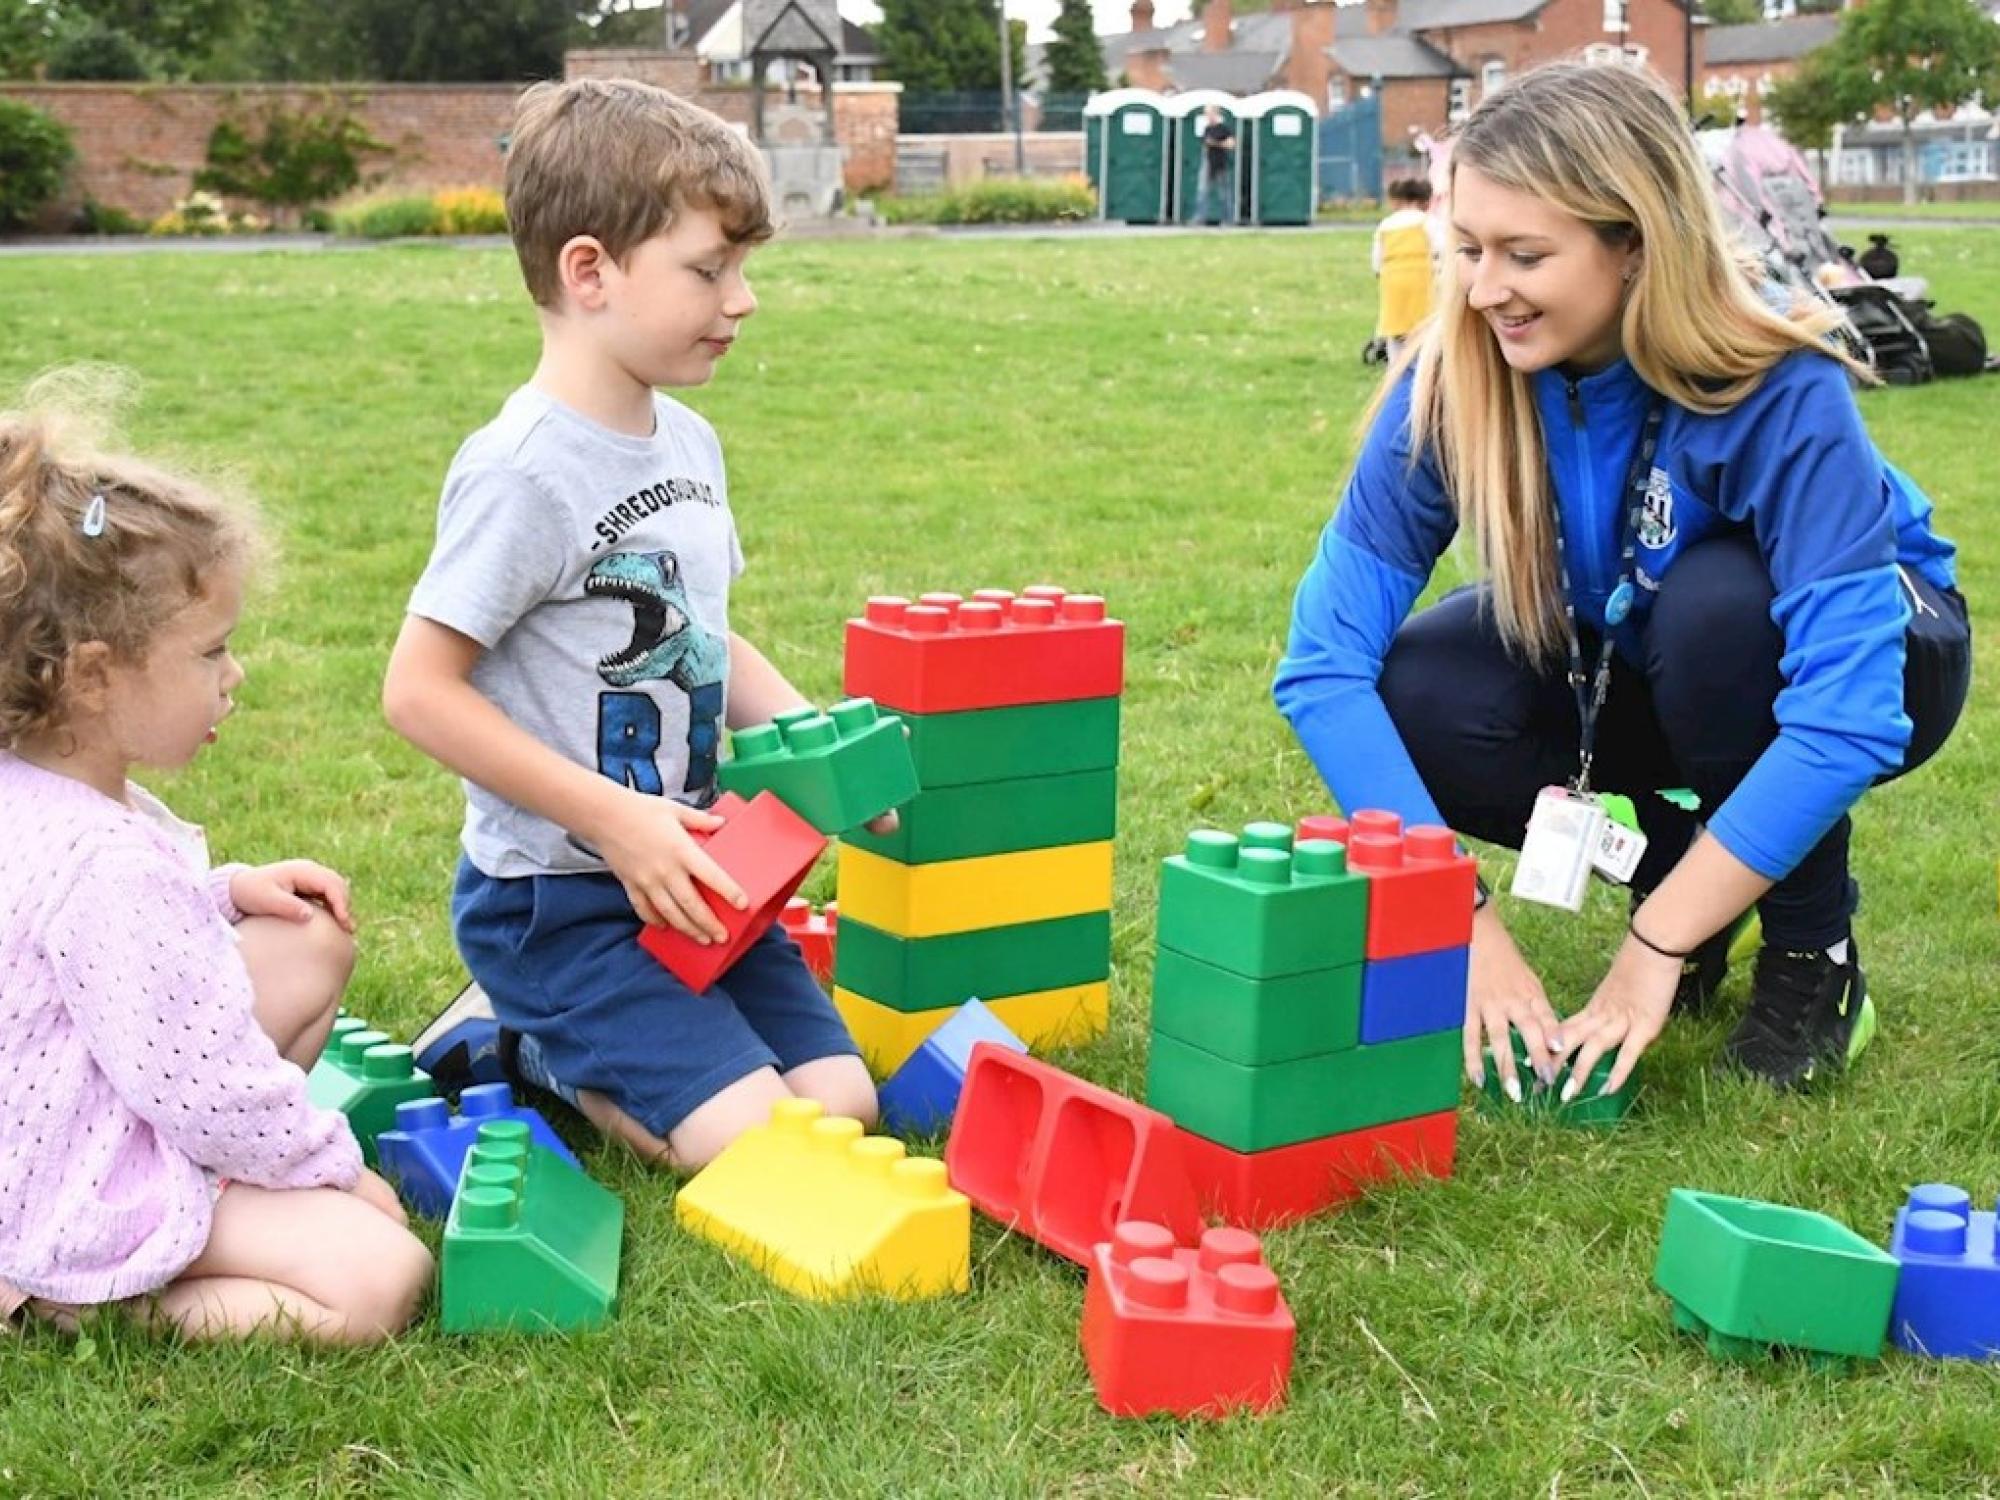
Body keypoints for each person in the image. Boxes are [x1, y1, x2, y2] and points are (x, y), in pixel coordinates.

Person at [1274, 62, 1969, 1102]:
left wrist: (1645, 949)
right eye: (1466, 249)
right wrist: (1451, 915)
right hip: (1633, 648)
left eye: (1523, 254)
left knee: (1718, 614)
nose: (1480, 288)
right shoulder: (1452, 376)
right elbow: (1322, 668)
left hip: (1874, 653)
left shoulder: (1780, 384)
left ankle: (1810, 952)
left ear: (1633, 243)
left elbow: (1845, 716)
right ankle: (1688, 880)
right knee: (1422, 687)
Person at [384, 79, 882, 1175]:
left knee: (845, 1106)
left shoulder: (690, 444)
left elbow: (708, 636)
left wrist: (823, 748)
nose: (741, 298)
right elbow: (417, 690)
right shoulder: (522, 473)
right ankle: (524, 1042)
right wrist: (614, 823)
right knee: (751, 1145)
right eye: (709, 269)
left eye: (742, 268)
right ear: (589, 271)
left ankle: (596, 1040)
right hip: (557, 901)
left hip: (699, 879)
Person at [0, 373, 432, 1343]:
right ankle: (93, 1299)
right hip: (73, 1182)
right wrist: (330, 1165)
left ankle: (156, 1229)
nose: (233, 677)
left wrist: (221, 890)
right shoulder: (101, 866)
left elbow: (68, 955)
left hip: (49, 1116)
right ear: (93, 677)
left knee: (305, 940)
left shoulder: (37, 790)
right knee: (383, 1267)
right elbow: (206, 1086)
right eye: (210, 653)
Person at [1373, 176, 1444, 359]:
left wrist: (1380, 273)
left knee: (1395, 322)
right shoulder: (1428, 221)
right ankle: (1424, 359)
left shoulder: (1386, 225)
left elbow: (1377, 259)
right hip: (1422, 279)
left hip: (1393, 281)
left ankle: (1396, 363)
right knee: (1424, 321)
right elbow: (1441, 249)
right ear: (1425, 201)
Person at [1199, 105, 1236, 227]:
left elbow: (1231, 144)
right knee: (1203, 192)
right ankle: (1201, 218)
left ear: (1215, 114)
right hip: (1209, 163)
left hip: (1221, 164)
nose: (1207, 117)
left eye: (1209, 114)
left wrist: (1216, 143)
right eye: (1206, 114)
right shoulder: (1207, 129)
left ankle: (1227, 219)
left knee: (1224, 194)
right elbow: (1205, 143)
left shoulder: (1224, 129)